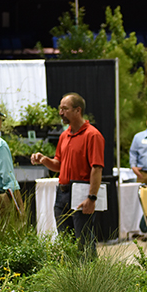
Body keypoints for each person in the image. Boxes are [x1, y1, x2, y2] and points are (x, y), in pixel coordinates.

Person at [30, 93, 104, 258]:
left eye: (64, 109)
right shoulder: (64, 136)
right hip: (62, 194)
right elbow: (58, 165)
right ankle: (71, 280)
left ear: (77, 110)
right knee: (66, 244)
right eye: (60, 109)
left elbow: (97, 168)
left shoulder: (92, 135)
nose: (60, 113)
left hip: (81, 194)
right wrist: (44, 160)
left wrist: (92, 197)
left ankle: (89, 280)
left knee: (84, 244)